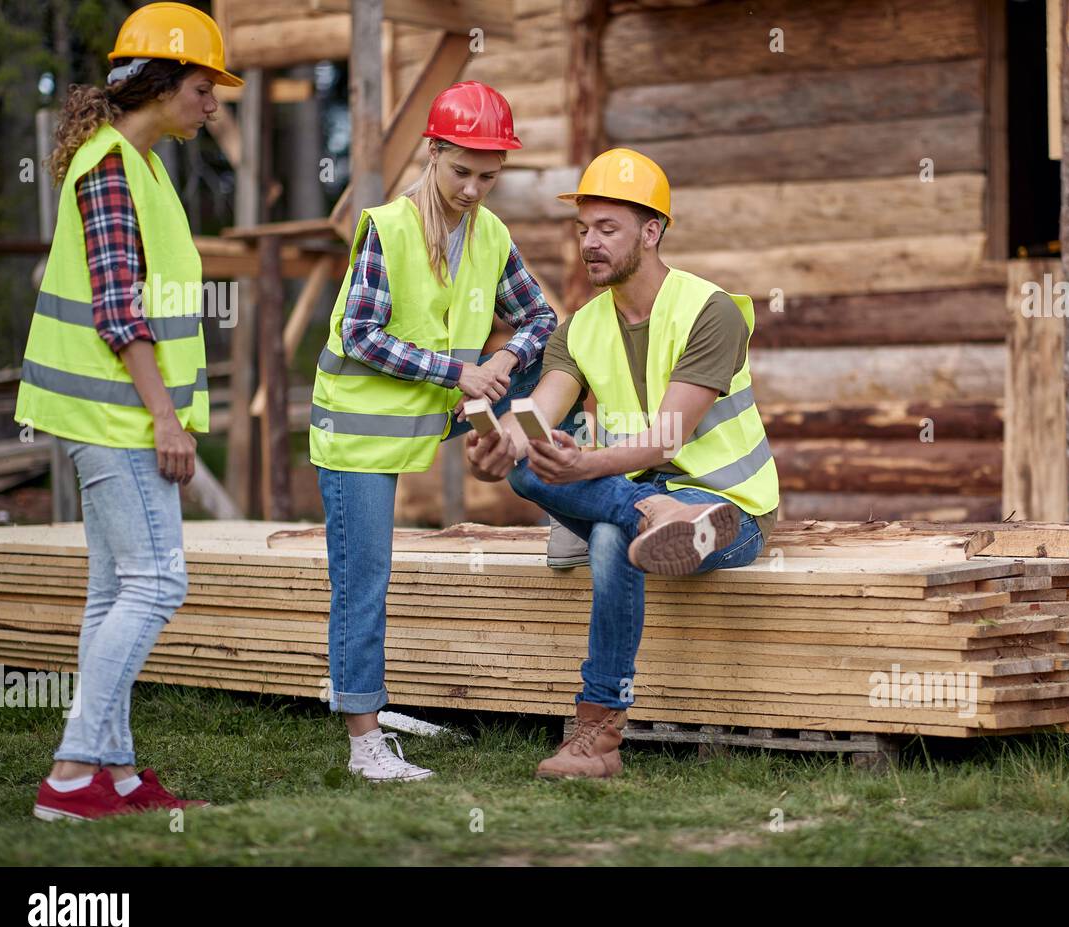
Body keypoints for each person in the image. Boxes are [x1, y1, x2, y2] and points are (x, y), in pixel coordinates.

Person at [465, 148, 780, 779]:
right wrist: (502, 443)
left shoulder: (709, 311)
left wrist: (586, 466)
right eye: (583, 229)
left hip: (725, 508)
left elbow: (667, 438)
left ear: (651, 231)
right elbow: (542, 413)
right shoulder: (579, 327)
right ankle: (646, 514)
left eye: (607, 229)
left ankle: (598, 737)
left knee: (610, 537)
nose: (589, 243)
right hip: (645, 497)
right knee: (532, 468)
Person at [16, 1, 240, 821]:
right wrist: (167, 419)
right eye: (203, 87)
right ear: (159, 82)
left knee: (114, 595)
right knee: (157, 582)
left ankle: (108, 772)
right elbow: (119, 311)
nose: (212, 104)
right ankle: (73, 773)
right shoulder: (111, 168)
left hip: (120, 416)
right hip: (117, 419)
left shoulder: (142, 164)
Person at [309, 81, 565, 781]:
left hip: (438, 411)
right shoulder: (387, 228)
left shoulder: (491, 235)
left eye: (489, 175)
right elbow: (359, 334)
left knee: (562, 380)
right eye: (462, 172)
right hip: (361, 429)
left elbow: (542, 319)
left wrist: (505, 359)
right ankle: (365, 741)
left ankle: (569, 504)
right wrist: (458, 374)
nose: (475, 189)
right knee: (364, 577)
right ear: (432, 153)